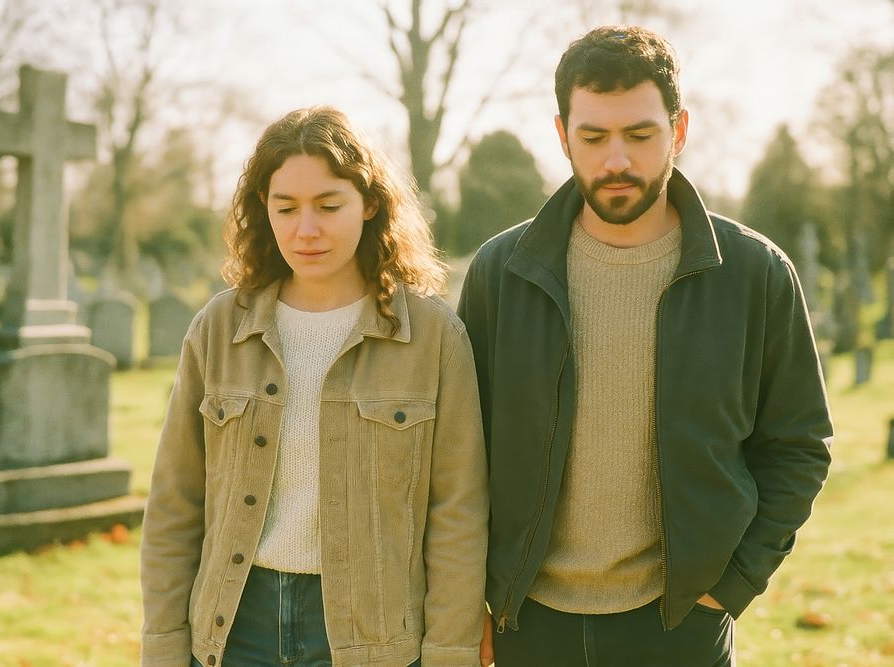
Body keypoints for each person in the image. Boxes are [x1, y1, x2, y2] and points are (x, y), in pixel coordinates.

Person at [458, 26, 833, 666]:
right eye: (594, 137)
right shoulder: (501, 273)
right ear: (561, 134)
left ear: (679, 131)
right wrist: (471, 598)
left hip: (682, 623)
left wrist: (731, 585)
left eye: (640, 135)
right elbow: (458, 458)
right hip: (529, 623)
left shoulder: (754, 274)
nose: (617, 161)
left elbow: (798, 446)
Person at [140, 106, 489, 667]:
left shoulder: (433, 337)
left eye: (329, 206)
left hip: (371, 637)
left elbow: (459, 513)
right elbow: (174, 505)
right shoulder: (218, 328)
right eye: (286, 208)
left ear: (370, 204)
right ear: (264, 211)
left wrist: (450, 651)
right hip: (235, 628)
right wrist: (162, 648)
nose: (307, 229)